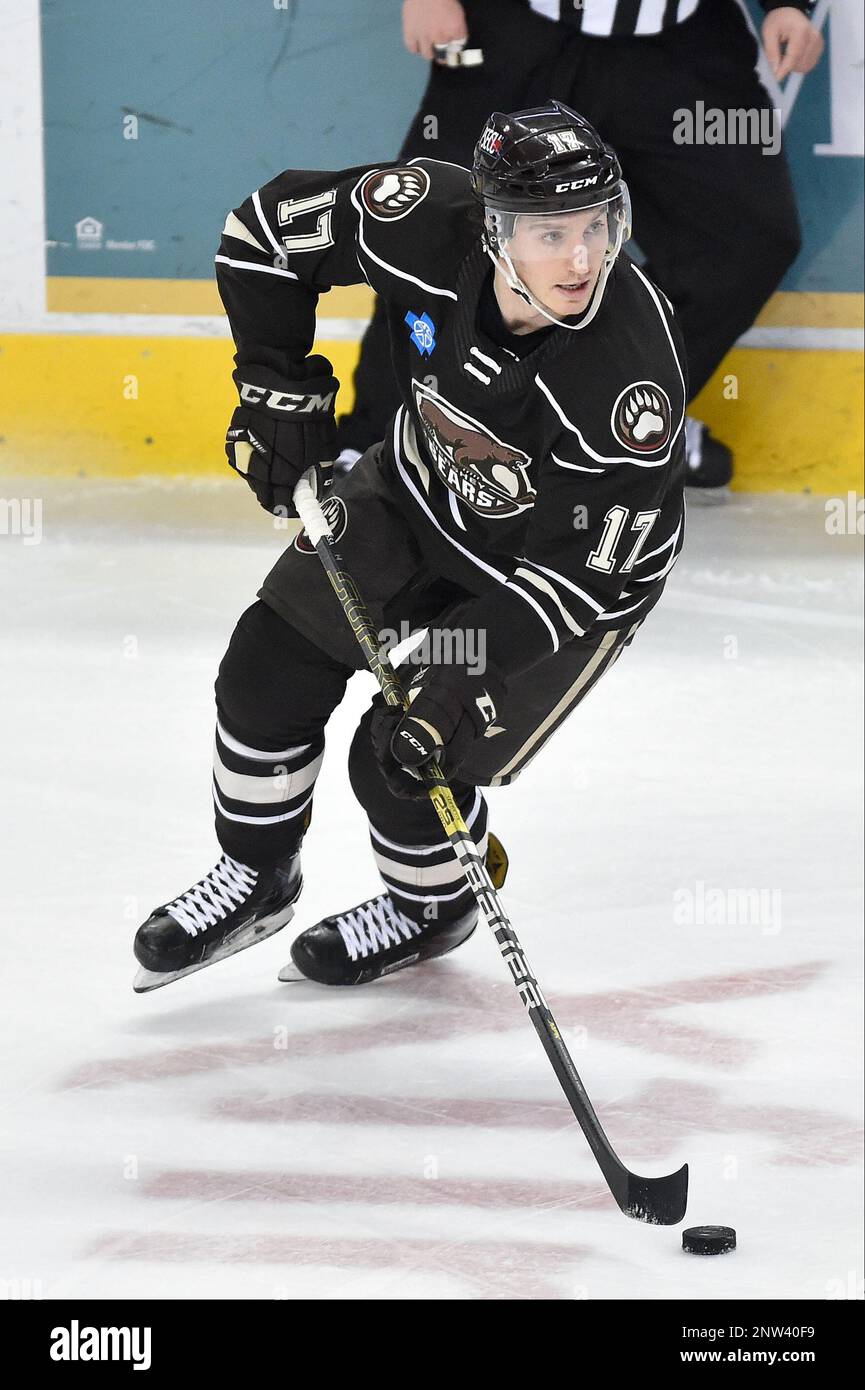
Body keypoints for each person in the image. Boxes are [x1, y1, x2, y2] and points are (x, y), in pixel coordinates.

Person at [133, 102, 687, 993]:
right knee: (266, 667)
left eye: (595, 228)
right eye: (551, 234)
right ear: (493, 227)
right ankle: (257, 873)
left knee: (398, 757)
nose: (581, 260)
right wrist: (278, 393)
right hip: (415, 495)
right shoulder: (420, 217)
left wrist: (464, 670)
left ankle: (432, 907)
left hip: (549, 581)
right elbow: (264, 235)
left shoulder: (628, 379)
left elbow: (594, 576)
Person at [336, 0, 824, 496]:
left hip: (681, 39)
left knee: (748, 240)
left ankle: (608, 426)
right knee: (444, 225)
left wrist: (789, 5)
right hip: (517, 28)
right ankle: (383, 439)